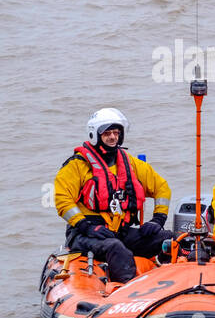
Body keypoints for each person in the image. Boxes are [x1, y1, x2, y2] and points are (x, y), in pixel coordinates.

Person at [54, 108, 175, 283]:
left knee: (170, 238)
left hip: (119, 231)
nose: (113, 137)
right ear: (95, 135)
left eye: (116, 133)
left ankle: (175, 284)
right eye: (107, 133)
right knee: (115, 248)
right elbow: (62, 200)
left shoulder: (129, 162)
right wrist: (86, 227)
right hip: (85, 235)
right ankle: (126, 293)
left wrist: (158, 220)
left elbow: (162, 188)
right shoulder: (77, 165)